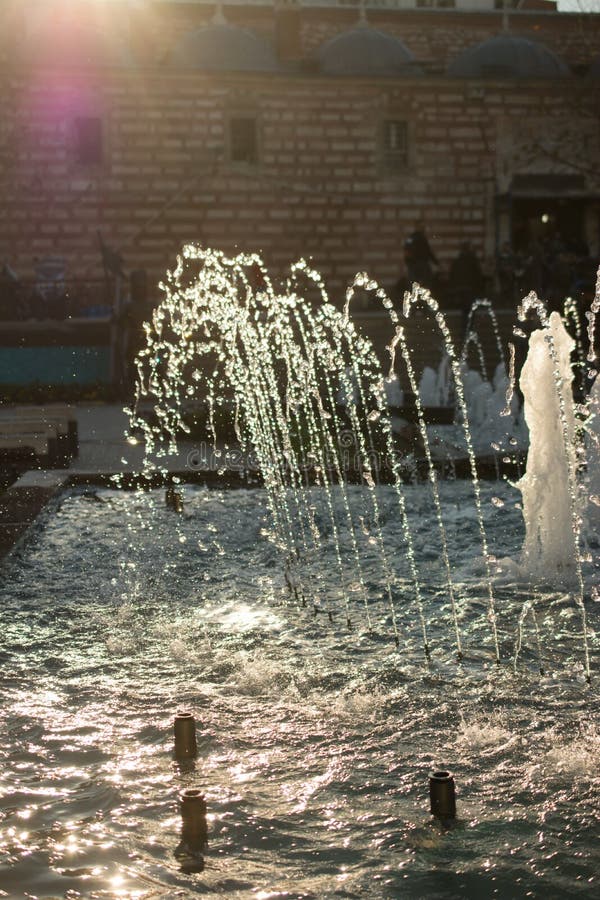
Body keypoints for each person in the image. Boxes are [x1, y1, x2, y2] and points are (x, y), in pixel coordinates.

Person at [403, 221, 439, 290]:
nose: (423, 228)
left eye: (423, 227)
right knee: (416, 286)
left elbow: (428, 252)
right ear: (416, 227)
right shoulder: (412, 238)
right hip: (416, 266)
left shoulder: (421, 238)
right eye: (421, 227)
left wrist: (437, 263)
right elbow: (407, 251)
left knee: (424, 286)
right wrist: (409, 263)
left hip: (422, 265)